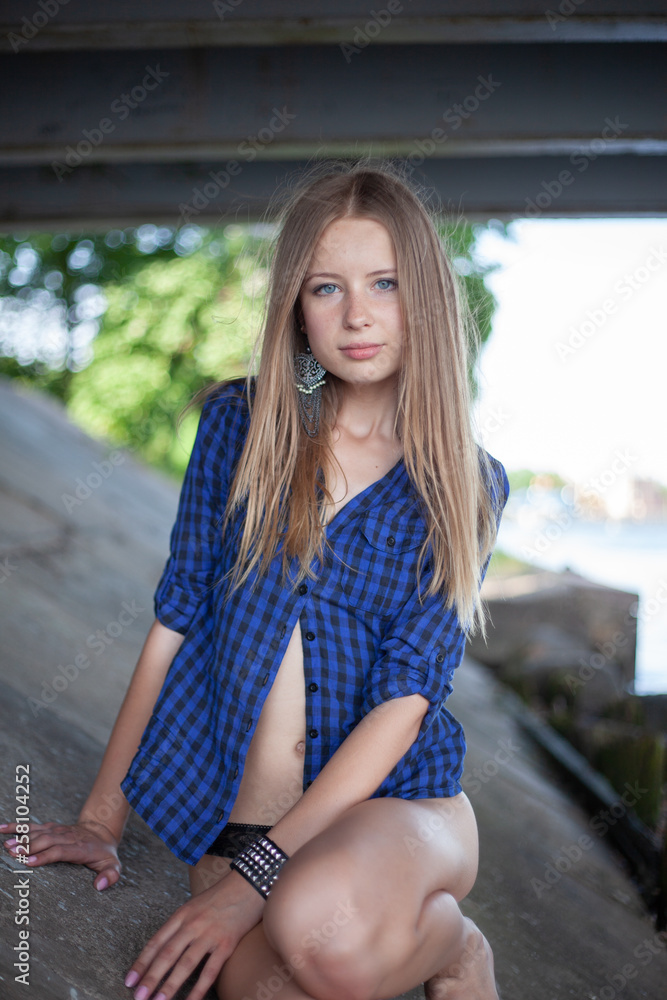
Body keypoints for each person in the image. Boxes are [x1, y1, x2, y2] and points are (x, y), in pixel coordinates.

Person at [2, 162, 509, 1000]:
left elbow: (404, 700)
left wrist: (255, 886)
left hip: (400, 809)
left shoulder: (464, 482)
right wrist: (101, 819)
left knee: (322, 932)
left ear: (423, 296)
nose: (355, 315)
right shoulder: (240, 428)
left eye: (383, 283)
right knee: (261, 987)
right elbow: (175, 619)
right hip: (242, 825)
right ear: (295, 306)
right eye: (325, 288)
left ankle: (457, 948)